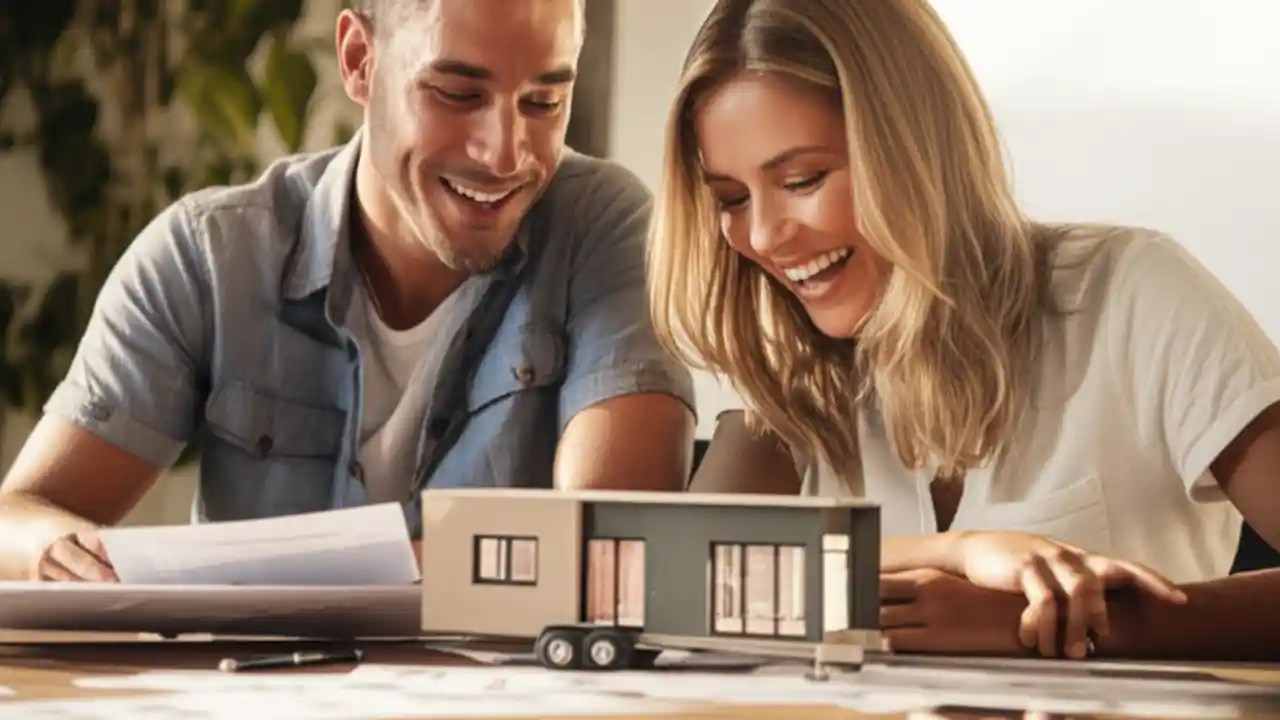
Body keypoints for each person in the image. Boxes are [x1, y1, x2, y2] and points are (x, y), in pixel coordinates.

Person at [654, 0, 1280, 660]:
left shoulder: (1133, 292)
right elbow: (675, 579)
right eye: (731, 198)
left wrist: (1050, 623)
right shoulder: (791, 370)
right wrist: (956, 554)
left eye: (802, 179)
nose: (763, 236)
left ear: (918, 148)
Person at [0, 0, 695, 583]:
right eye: (457, 94)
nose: (506, 152)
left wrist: (239, 578)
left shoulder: (604, 230)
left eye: (545, 101)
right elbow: (20, 516)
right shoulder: (210, 256)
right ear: (360, 60)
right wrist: (75, 558)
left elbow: (611, 550)